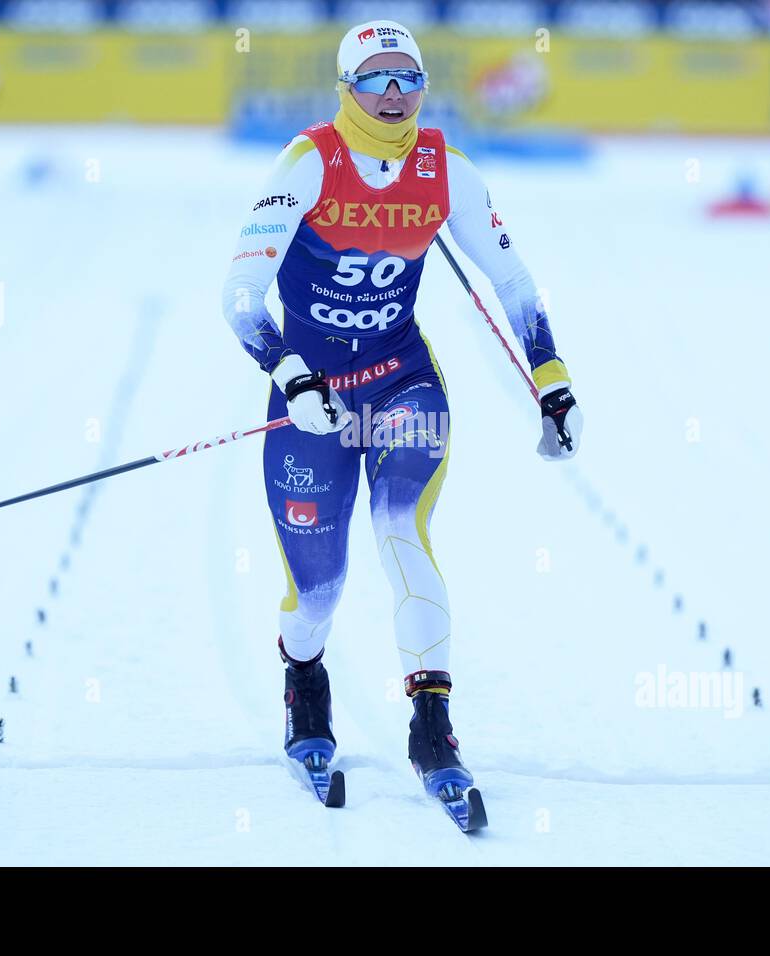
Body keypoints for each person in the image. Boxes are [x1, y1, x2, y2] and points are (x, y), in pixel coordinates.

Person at [221, 20, 582, 800]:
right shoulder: (308, 162)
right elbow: (240, 294)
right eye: (375, 79)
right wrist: (290, 374)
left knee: (400, 529)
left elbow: (514, 282)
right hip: (311, 398)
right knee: (316, 590)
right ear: (346, 87)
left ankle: (431, 723)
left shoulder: (446, 170)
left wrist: (552, 379)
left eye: (407, 78)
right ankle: (305, 684)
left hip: (400, 382)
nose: (393, 94)